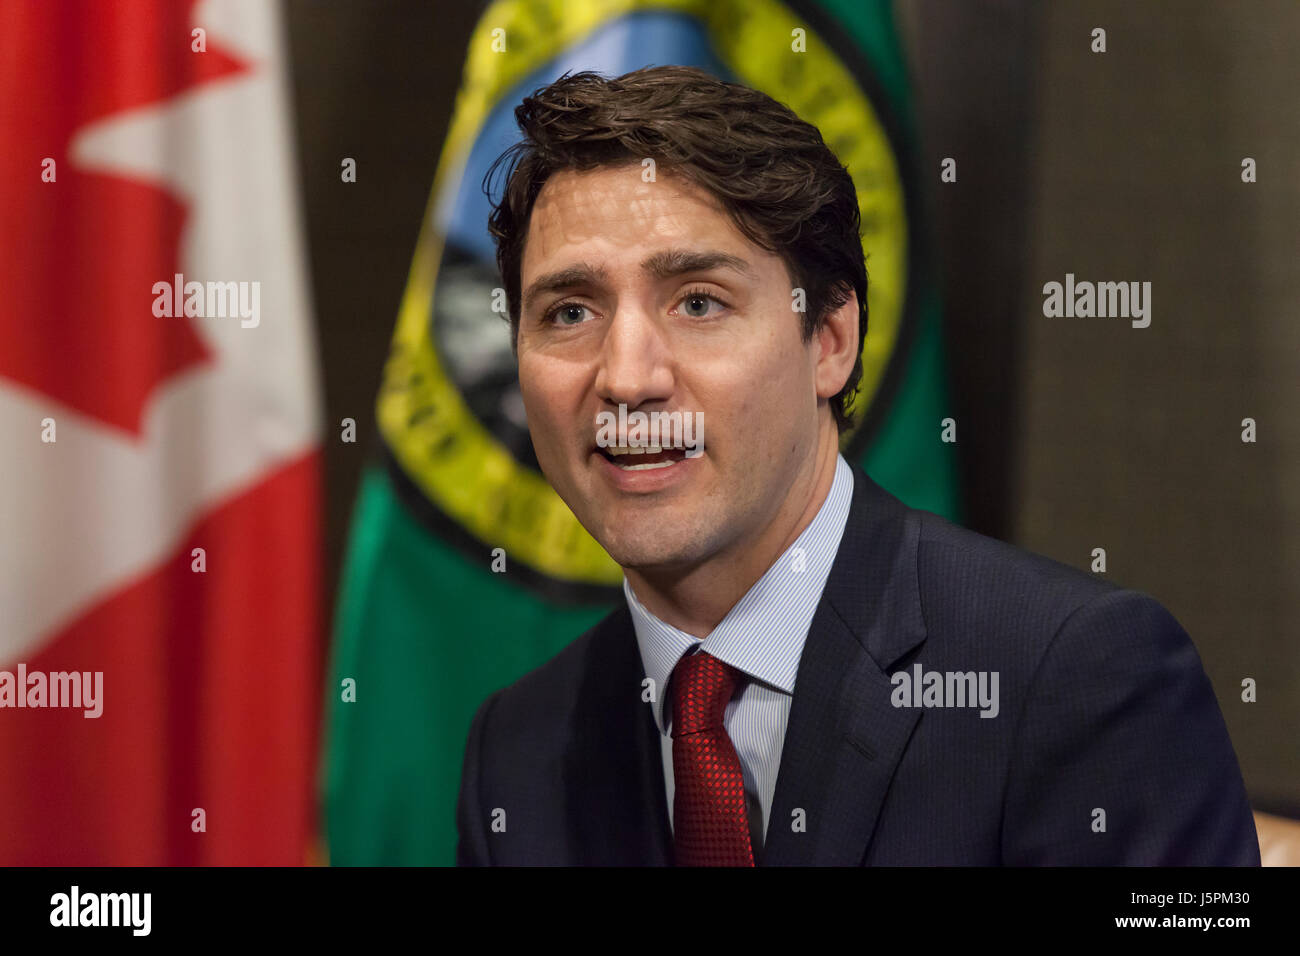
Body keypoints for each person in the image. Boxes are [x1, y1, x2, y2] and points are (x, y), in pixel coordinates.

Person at [455, 65, 1259, 866]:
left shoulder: (1077, 679)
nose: (627, 378)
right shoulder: (519, 752)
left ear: (831, 339)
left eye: (699, 302)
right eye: (569, 312)